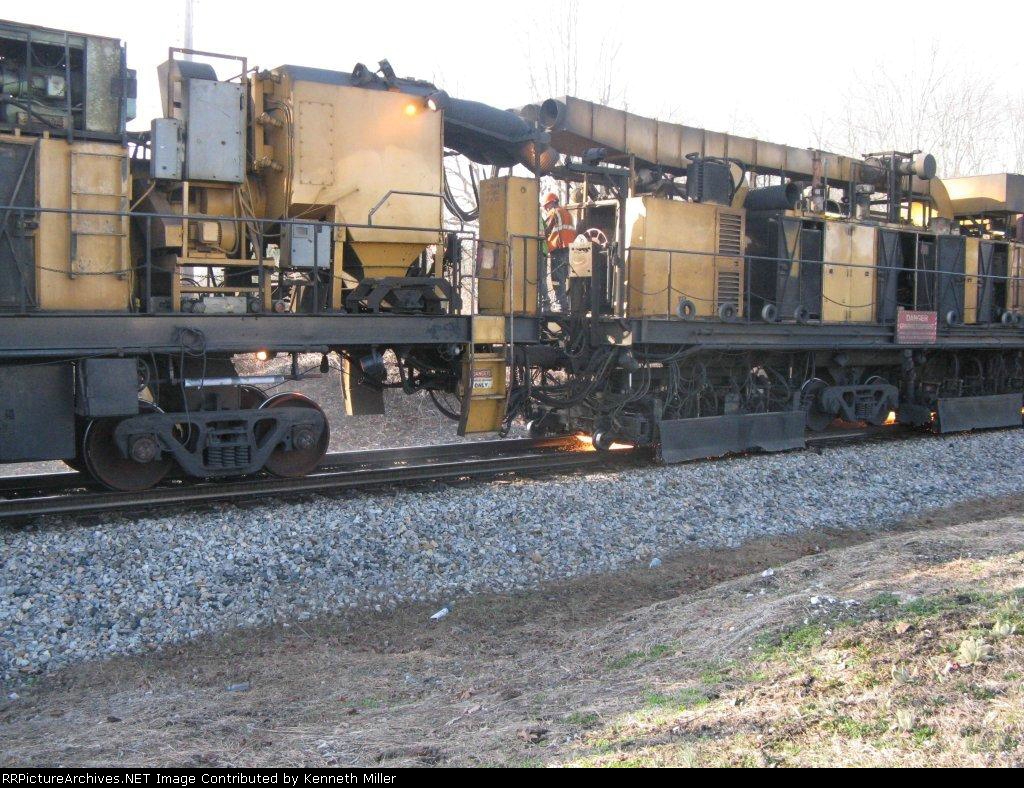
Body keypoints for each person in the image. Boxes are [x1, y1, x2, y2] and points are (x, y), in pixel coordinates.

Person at [541, 192, 576, 312]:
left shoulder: (554, 212)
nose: (546, 209)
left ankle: (560, 304)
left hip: (558, 248)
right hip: (569, 249)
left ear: (551, 203)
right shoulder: (567, 213)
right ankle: (565, 304)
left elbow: (545, 231)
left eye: (546, 206)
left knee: (557, 278)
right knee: (564, 277)